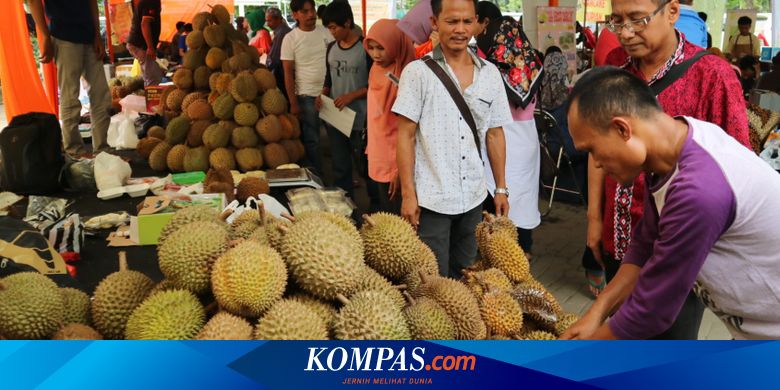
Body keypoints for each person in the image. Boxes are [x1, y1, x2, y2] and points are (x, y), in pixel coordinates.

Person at [562, 67, 780, 340]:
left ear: (622, 129)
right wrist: (596, 313)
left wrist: (577, 356)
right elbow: (644, 246)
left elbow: (651, 311)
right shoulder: (676, 145)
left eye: (592, 150)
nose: (596, 164)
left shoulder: (699, 190)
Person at [588, 0, 750, 338]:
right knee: (626, 348)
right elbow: (597, 147)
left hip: (681, 250)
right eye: (617, 21)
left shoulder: (713, 77)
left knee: (669, 346)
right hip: (620, 236)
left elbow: (739, 172)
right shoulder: (615, 66)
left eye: (637, 20)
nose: (626, 33)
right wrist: (594, 219)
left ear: (672, 11)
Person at [393, 0, 512, 278]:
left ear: (477, 23)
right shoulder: (417, 73)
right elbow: (405, 135)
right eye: (452, 21)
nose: (460, 29)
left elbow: (495, 133)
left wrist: (501, 188)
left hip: (473, 196)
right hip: (431, 199)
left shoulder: (490, 74)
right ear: (435, 23)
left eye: (467, 21)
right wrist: (408, 195)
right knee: (431, 280)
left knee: (466, 276)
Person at [476, 16, 542, 257]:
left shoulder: (492, 69)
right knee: (523, 197)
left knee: (498, 193)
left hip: (504, 137)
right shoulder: (533, 63)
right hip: (528, 139)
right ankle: (523, 249)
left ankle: (499, 253)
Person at [28, 0, 111, 157]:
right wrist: (45, 36)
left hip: (88, 35)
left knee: (101, 96)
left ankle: (102, 150)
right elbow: (33, 2)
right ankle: (74, 152)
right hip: (63, 35)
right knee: (70, 97)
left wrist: (97, 35)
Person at [315, 1, 372, 198]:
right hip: (336, 117)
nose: (331, 32)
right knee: (340, 166)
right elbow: (329, 78)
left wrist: (351, 96)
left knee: (365, 167)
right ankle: (348, 207)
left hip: (360, 119)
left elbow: (376, 85)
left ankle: (375, 206)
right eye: (329, 28)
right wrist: (323, 94)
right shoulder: (331, 48)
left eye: (333, 27)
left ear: (347, 23)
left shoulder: (366, 48)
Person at [363, 19, 416, 214]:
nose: (375, 54)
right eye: (371, 48)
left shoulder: (408, 75)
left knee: (400, 216)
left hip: (398, 159)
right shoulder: (375, 68)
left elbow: (409, 127)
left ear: (395, 44)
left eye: (381, 48)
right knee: (385, 210)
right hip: (377, 151)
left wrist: (399, 169)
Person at [281, 0, 334, 177]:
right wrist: (293, 103)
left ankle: (341, 177)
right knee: (313, 140)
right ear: (295, 14)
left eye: (312, 10)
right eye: (305, 11)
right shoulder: (290, 39)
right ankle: (318, 178)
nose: (311, 14)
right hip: (306, 96)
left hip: (330, 94)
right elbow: (288, 73)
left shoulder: (326, 32)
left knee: (338, 138)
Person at [126, 0, 163, 86]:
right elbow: (145, 24)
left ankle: (147, 92)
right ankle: (150, 94)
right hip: (140, 45)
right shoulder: (151, 1)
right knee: (153, 78)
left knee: (150, 76)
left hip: (139, 44)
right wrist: (150, 47)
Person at [265, 7, 292, 96]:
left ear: (278, 19)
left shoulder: (281, 33)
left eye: (270, 21)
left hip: (283, 72)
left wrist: (266, 69)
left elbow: (275, 57)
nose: (267, 24)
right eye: (267, 21)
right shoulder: (283, 30)